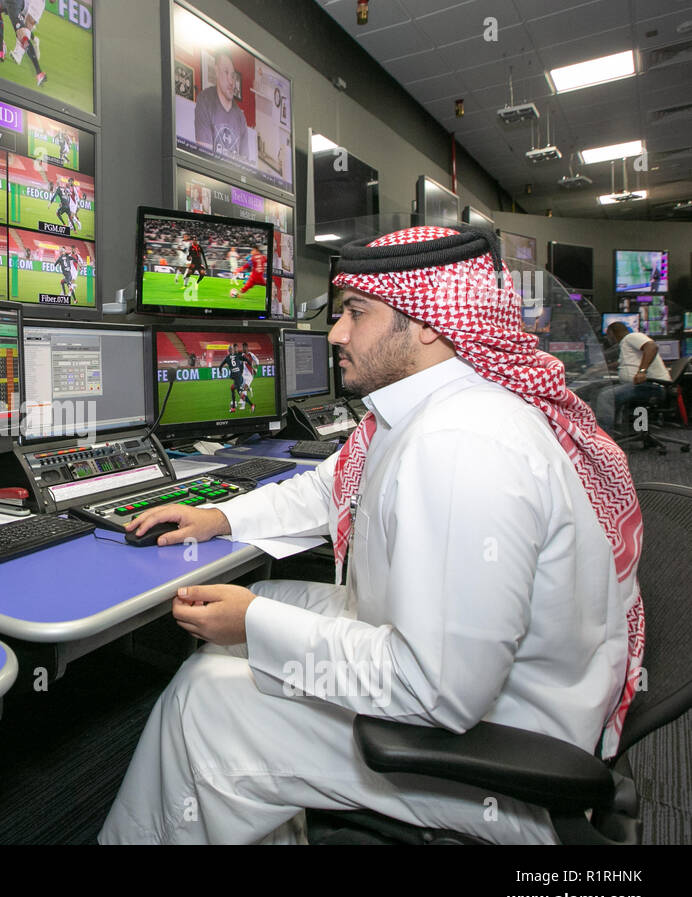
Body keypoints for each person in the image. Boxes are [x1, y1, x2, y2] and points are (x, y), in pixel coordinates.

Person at [101, 225, 644, 845]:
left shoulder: (460, 447)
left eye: (356, 313)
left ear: (429, 323)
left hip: (503, 753)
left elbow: (435, 690)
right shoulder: (431, 410)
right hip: (488, 684)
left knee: (204, 702)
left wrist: (251, 625)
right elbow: (334, 488)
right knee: (266, 604)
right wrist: (223, 519)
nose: (335, 333)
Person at [596, 321, 669, 432]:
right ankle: (612, 429)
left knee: (606, 396)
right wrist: (600, 368)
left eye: (608, 335)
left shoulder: (632, 337)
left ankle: (603, 436)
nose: (608, 339)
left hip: (651, 385)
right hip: (642, 385)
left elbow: (651, 346)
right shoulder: (626, 344)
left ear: (611, 333)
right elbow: (621, 363)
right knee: (600, 391)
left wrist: (642, 371)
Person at [193, 53, 250, 163]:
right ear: (217, 71)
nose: (231, 81)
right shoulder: (205, 100)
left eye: (233, 76)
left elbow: (245, 165)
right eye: (226, 72)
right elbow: (204, 158)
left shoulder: (240, 116)